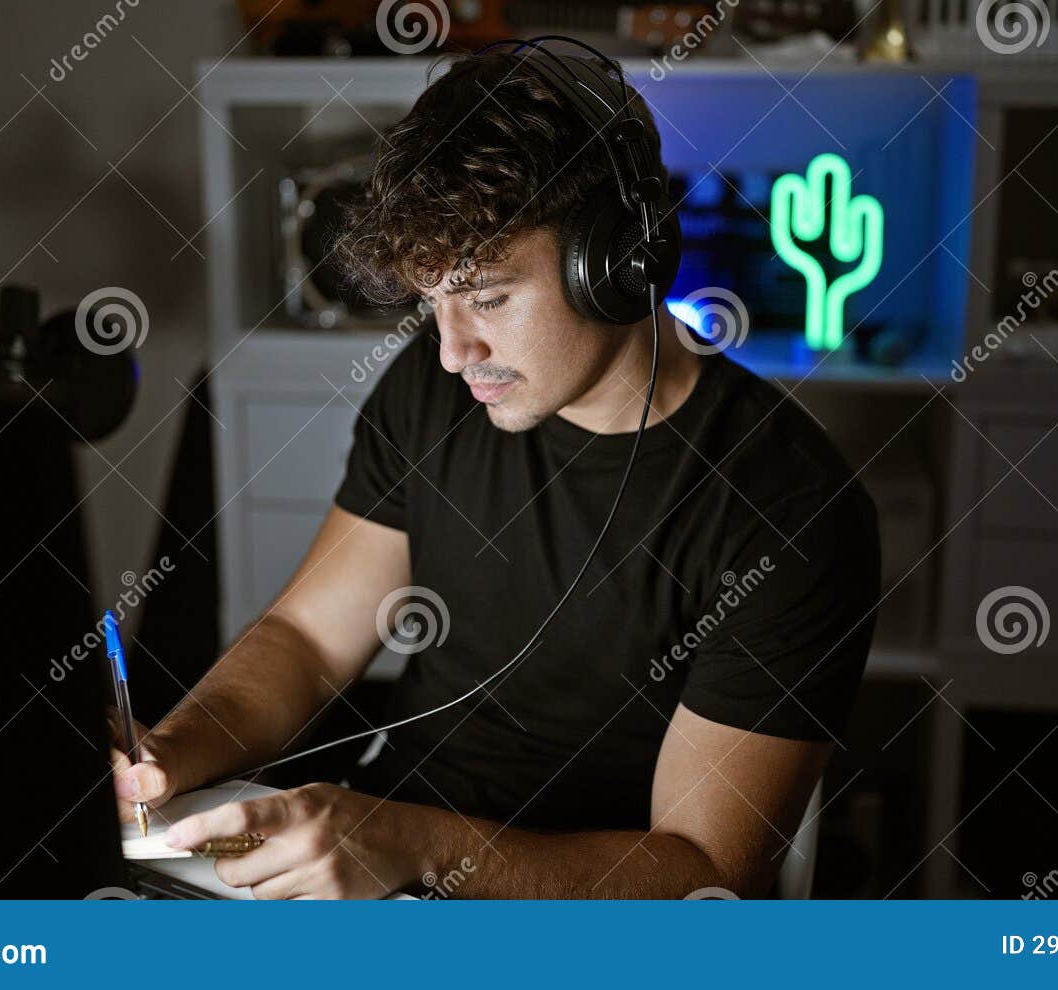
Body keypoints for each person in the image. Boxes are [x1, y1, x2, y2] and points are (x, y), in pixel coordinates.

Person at [111, 48, 881, 899]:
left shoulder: (790, 510)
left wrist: (416, 846)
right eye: (431, 303)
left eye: (486, 298)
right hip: (384, 871)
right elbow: (305, 639)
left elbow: (704, 876)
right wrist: (174, 751)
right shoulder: (434, 391)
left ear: (620, 264)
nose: (451, 354)